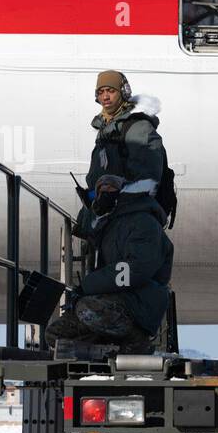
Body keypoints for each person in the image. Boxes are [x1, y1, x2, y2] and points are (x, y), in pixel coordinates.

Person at [45, 71, 174, 354]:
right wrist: (95, 205)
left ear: (123, 93)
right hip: (113, 298)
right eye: (101, 91)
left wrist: (88, 286)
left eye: (111, 91)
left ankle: (134, 342)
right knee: (55, 333)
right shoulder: (107, 133)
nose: (105, 96)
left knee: (89, 308)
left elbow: (135, 271)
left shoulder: (141, 221)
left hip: (137, 306)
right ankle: (100, 348)